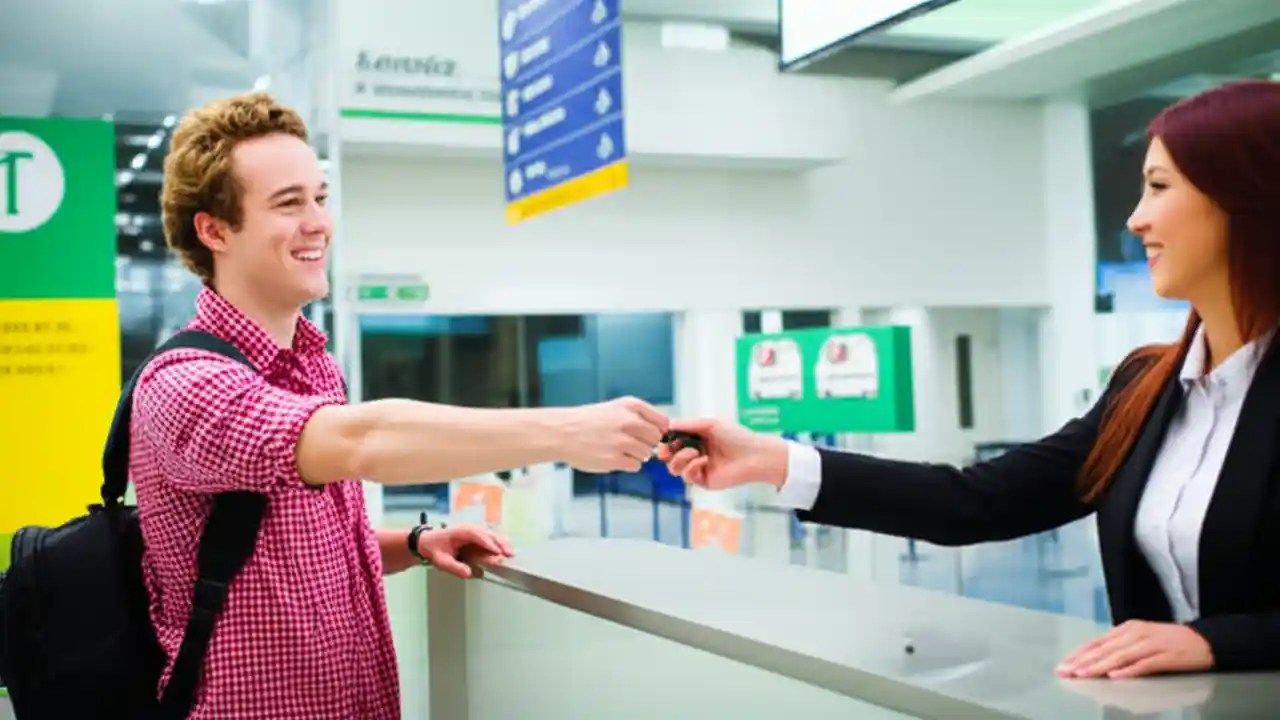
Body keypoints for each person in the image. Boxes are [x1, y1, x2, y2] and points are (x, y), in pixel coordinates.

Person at [660, 79, 1280, 679]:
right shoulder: (1145, 387)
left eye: (1158, 187)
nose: (1137, 219)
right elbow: (973, 501)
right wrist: (771, 460)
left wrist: (1212, 641)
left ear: (1247, 197)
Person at [138, 91, 669, 719]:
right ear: (214, 229)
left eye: (319, 198)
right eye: (288, 204)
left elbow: (307, 549)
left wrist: (417, 542)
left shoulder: (311, 368)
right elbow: (365, 441)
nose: (318, 222)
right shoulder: (185, 384)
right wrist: (565, 431)